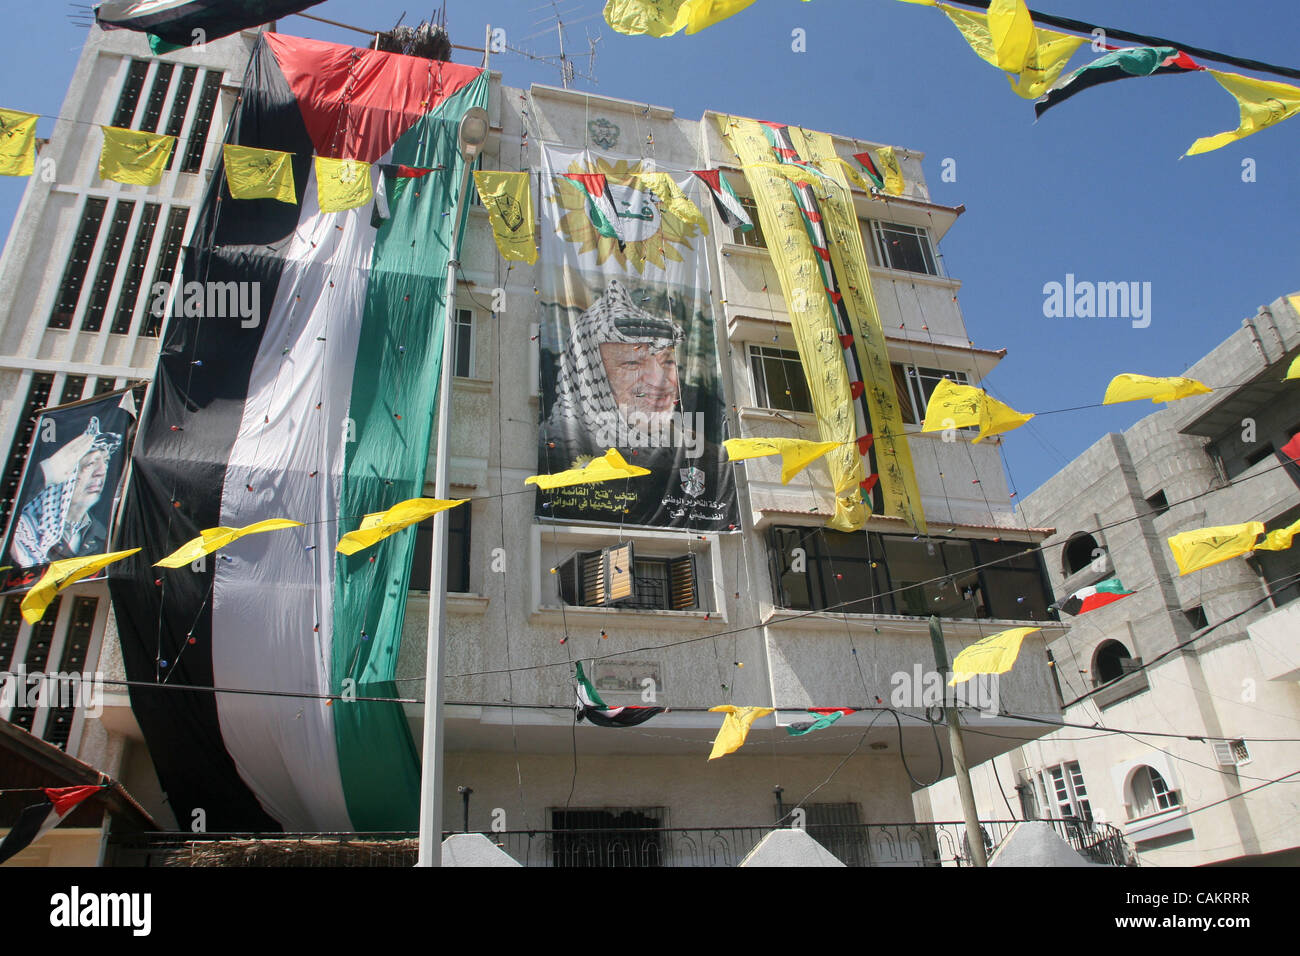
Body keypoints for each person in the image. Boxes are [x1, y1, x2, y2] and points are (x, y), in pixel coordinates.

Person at [9, 417, 122, 567]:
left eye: (106, 461)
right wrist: (47, 472)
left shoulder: (104, 537)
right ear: (68, 473)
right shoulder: (27, 529)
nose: (101, 472)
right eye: (91, 463)